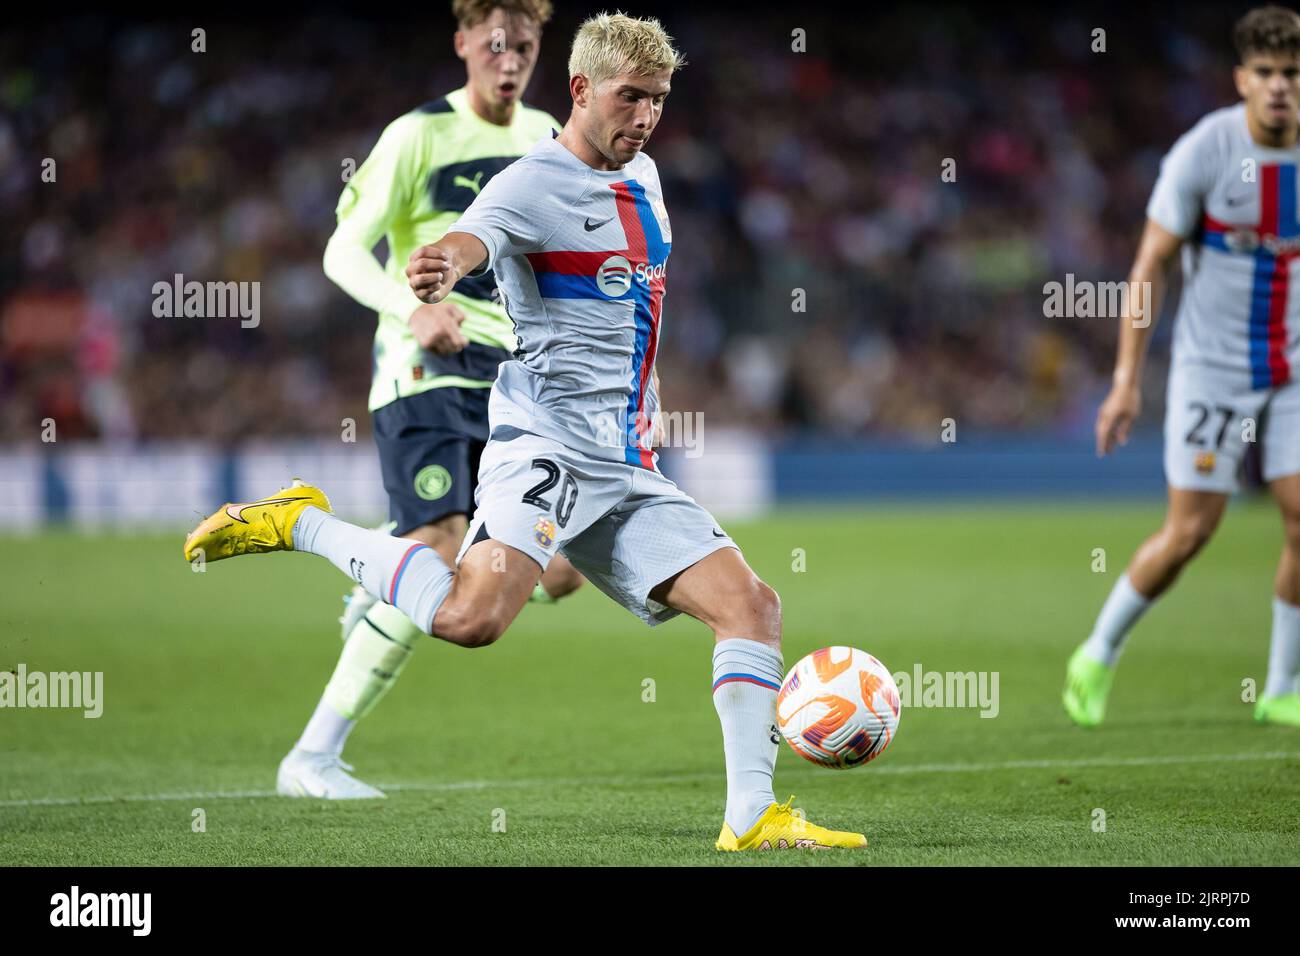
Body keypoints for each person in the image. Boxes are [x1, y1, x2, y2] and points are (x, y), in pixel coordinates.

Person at [185, 12, 865, 850]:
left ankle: (749, 817)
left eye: (657, 100)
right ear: (581, 91)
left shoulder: (645, 176)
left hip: (625, 458)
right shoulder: (528, 181)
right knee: (472, 619)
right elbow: (477, 235)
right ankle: (304, 522)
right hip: (544, 446)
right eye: (630, 98)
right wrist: (444, 265)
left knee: (753, 607)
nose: (646, 117)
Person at [280, 0, 583, 800]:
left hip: (516, 381)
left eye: (523, 44)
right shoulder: (418, 134)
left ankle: (384, 557)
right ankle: (311, 758)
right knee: (443, 553)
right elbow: (341, 249)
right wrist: (409, 309)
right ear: (462, 45)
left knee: (559, 575)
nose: (509, 58)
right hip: (426, 368)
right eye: (494, 43)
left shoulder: (551, 138)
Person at [1065, 5, 1300, 729]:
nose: (1279, 87)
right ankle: (1098, 652)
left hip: (1293, 370)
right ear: (1241, 78)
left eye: (1292, 73)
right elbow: (1148, 267)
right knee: (1191, 533)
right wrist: (1127, 380)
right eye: (1265, 73)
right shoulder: (1204, 151)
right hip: (1213, 371)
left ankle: (1282, 688)